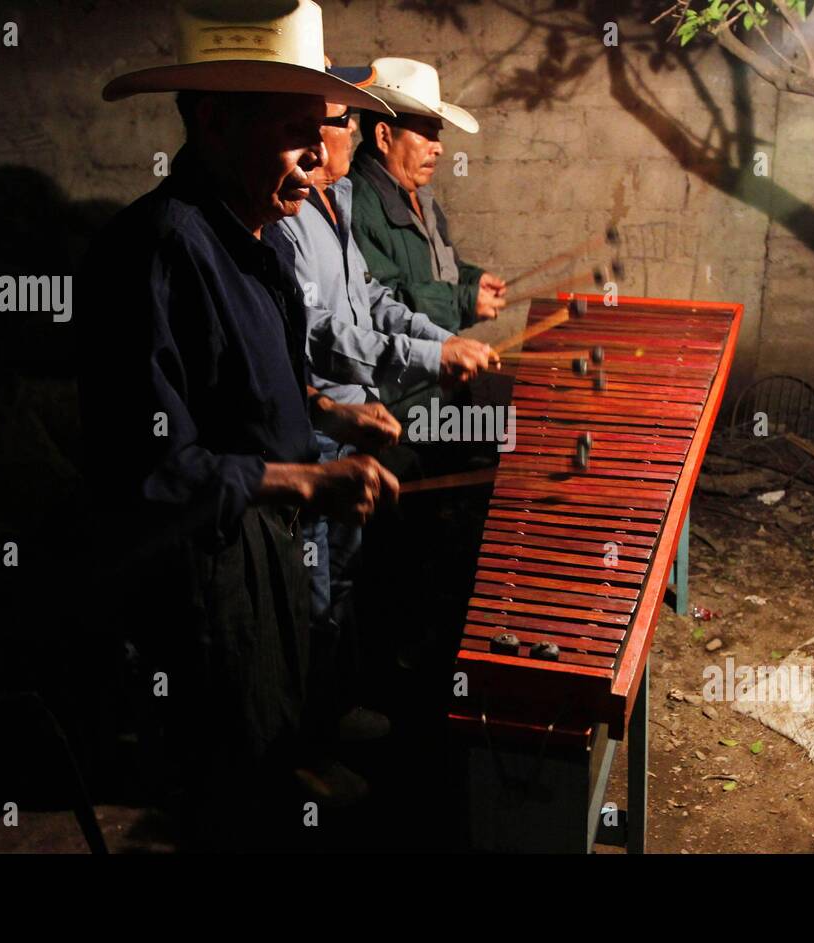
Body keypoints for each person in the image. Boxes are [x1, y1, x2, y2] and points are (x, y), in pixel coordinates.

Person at [77, 0, 401, 842]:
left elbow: (255, 391)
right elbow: (150, 467)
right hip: (209, 581)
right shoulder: (153, 251)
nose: (317, 159)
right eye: (299, 132)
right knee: (231, 777)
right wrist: (304, 476)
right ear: (217, 124)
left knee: (277, 734)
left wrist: (330, 415)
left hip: (269, 553)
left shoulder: (255, 240)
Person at [265, 65, 495, 756]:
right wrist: (430, 356)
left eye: (334, 123)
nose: (343, 136)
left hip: (356, 419)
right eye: (341, 121)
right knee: (310, 594)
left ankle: (334, 712)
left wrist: (443, 339)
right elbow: (322, 334)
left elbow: (377, 301)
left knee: (340, 587)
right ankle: (300, 752)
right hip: (316, 429)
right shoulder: (292, 218)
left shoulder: (332, 205)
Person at [349, 58, 507, 340]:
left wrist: (471, 280)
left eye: (438, 135)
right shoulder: (357, 207)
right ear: (384, 136)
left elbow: (433, 271)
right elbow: (382, 303)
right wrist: (463, 302)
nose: (440, 148)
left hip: (436, 368)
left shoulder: (420, 195)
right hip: (401, 379)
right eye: (426, 133)